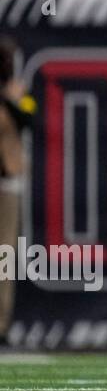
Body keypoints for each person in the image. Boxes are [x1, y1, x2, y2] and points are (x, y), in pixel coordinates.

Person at [0, 38, 36, 346]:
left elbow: (30, 117)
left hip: (7, 184)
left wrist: (11, 99)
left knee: (4, 256)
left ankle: (0, 325)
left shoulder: (17, 92)